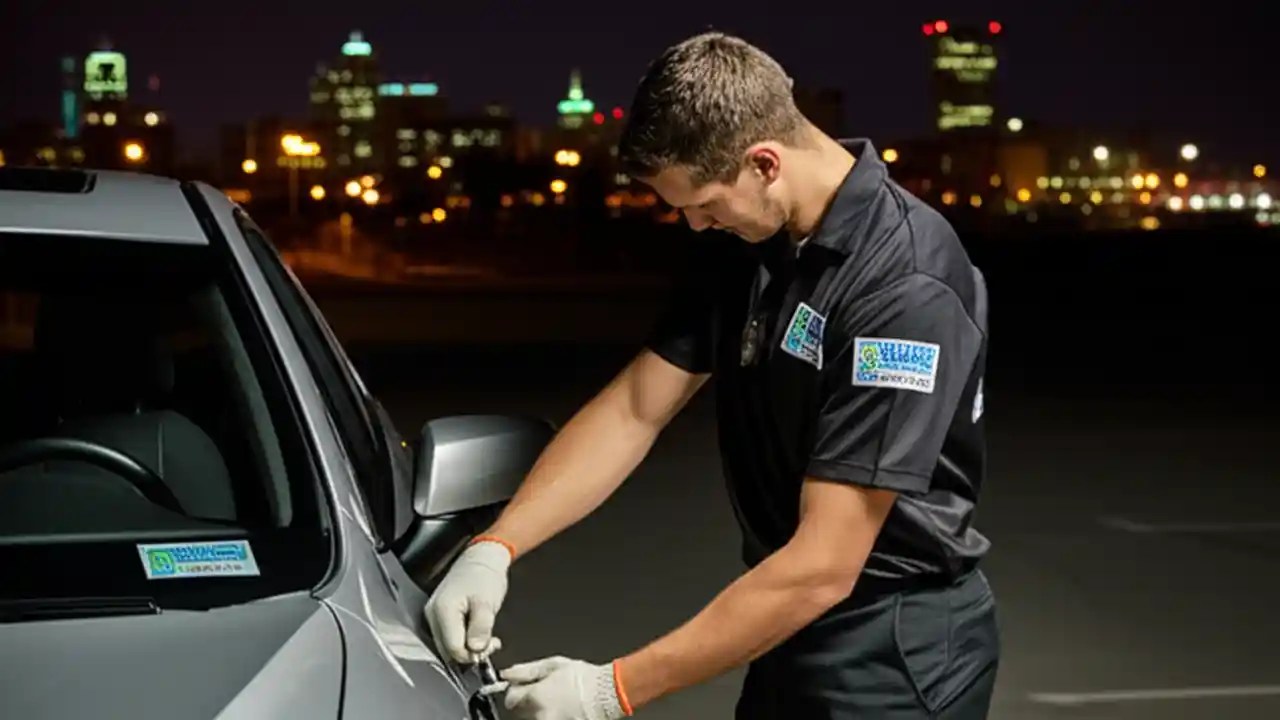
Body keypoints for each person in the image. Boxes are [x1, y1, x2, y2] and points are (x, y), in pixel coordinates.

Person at [425, 30, 1000, 720]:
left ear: (764, 163)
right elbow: (637, 408)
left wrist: (609, 690)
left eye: (701, 205)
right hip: (785, 619)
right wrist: (495, 547)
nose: (694, 226)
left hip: (894, 649)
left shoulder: (903, 288)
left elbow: (825, 563)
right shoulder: (751, 235)